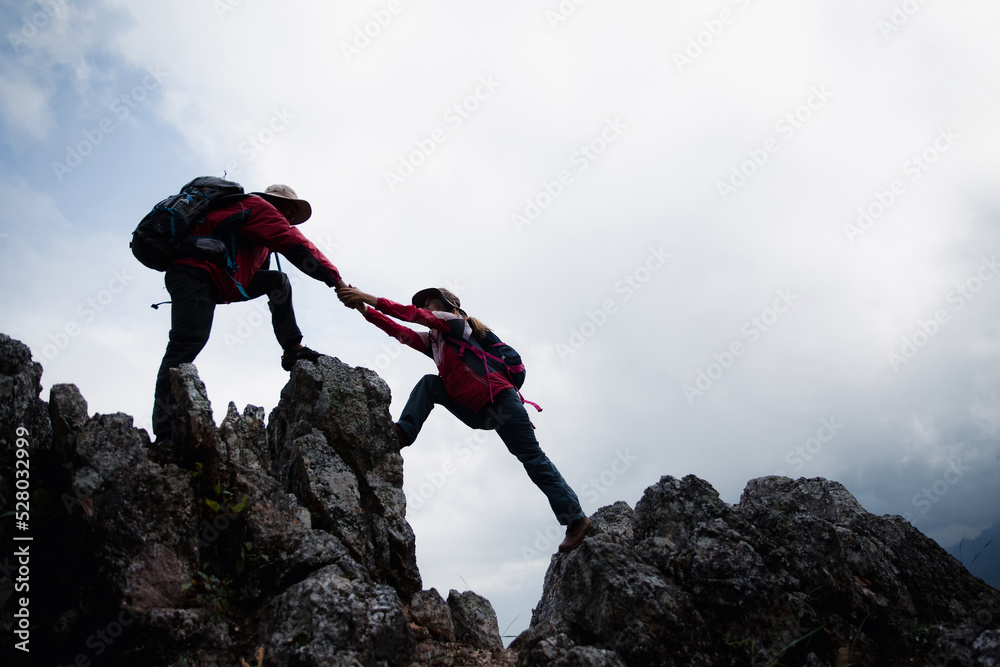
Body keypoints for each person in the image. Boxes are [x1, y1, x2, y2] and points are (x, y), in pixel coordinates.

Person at [336, 285, 592, 552]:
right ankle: (403, 433)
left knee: (533, 459)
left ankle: (576, 519)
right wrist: (364, 310)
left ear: (449, 306)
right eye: (424, 303)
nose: (425, 307)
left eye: (431, 302)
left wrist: (367, 297)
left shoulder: (456, 323)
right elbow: (401, 332)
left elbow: (412, 315)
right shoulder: (436, 341)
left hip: (501, 402)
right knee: (429, 384)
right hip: (476, 410)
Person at [152, 184, 347, 446]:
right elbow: (297, 246)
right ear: (273, 202)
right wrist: (336, 281)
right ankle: (165, 433)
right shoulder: (259, 208)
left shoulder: (257, 231)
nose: (291, 216)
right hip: (194, 272)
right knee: (185, 344)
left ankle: (293, 349)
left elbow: (258, 269)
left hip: (215, 279)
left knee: (277, 281)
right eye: (288, 208)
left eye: (293, 211)